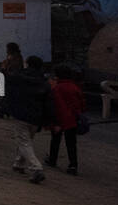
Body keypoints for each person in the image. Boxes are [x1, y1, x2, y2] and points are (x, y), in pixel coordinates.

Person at [6, 56, 50, 184]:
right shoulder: (44, 81)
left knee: (24, 142)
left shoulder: (19, 77)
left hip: (21, 113)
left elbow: (10, 89)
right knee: (27, 140)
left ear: (28, 64)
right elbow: (48, 102)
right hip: (36, 116)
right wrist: (47, 119)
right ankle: (19, 163)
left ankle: (36, 168)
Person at [48, 65, 85, 175]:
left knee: (55, 140)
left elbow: (55, 106)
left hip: (59, 119)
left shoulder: (56, 88)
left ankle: (52, 159)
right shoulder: (74, 87)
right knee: (71, 143)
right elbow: (82, 103)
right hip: (72, 119)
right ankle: (73, 165)